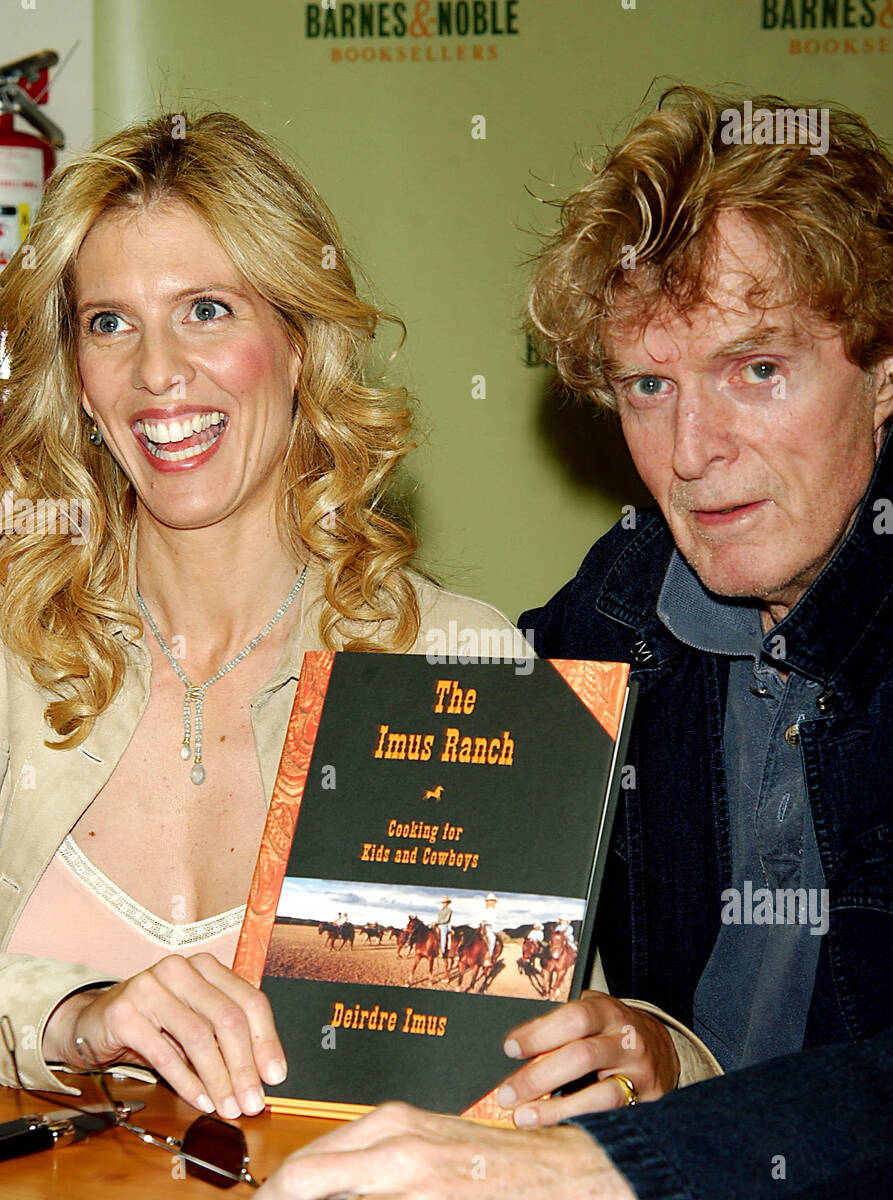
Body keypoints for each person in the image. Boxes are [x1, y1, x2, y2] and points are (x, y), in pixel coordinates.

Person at [246, 85, 893, 1200]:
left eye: (757, 370)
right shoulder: (619, 606)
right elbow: (421, 893)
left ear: (888, 361)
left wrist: (610, 1169)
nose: (692, 451)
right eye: (647, 386)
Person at [0, 110, 527, 1116]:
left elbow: (535, 1059)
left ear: (296, 342)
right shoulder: (10, 651)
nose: (158, 373)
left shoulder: (450, 660)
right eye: (109, 322)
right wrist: (74, 1018)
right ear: (75, 376)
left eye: (206, 310)